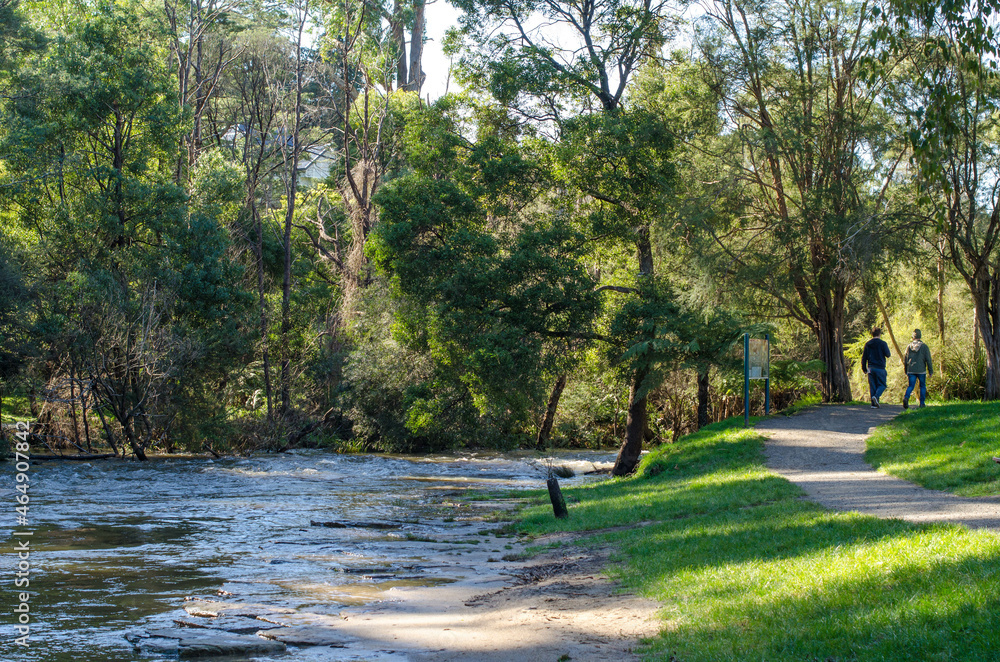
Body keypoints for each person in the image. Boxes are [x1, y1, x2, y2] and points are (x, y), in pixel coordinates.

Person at [861, 326, 891, 408]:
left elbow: (864, 357)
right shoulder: (883, 343)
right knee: (882, 385)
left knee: (873, 386)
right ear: (880, 334)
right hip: (880, 368)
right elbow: (888, 354)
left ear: (872, 334)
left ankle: (873, 404)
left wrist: (864, 368)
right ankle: (876, 396)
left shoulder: (867, 344)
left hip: (871, 367)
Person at [903, 328, 933, 409]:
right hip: (921, 370)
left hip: (911, 369)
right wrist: (930, 370)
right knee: (922, 386)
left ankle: (906, 397)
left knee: (911, 386)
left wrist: (906, 369)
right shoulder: (924, 347)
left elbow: (905, 359)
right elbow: (928, 359)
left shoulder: (909, 347)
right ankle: (922, 403)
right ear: (920, 336)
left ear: (913, 337)